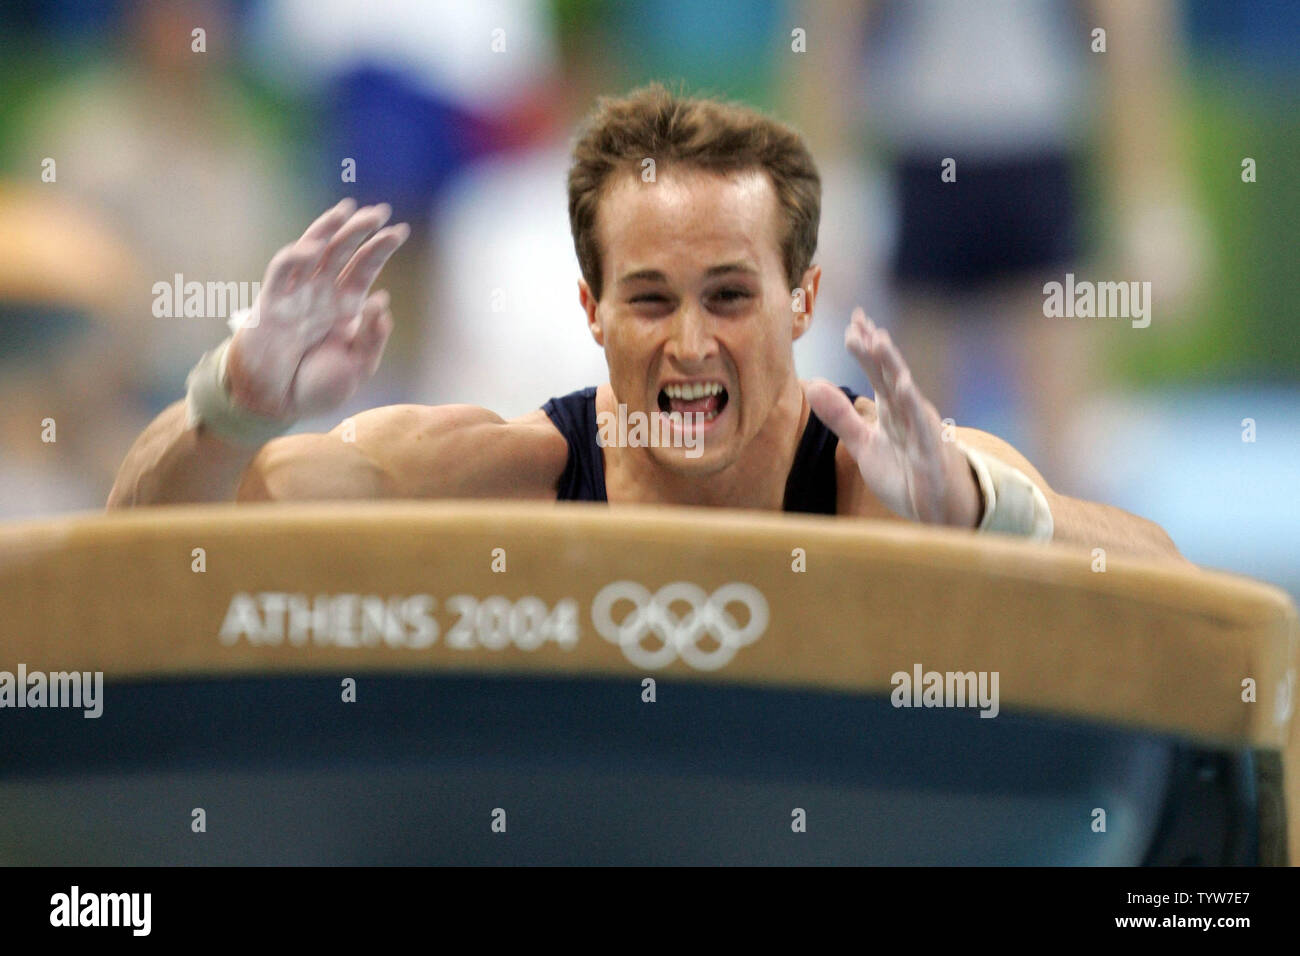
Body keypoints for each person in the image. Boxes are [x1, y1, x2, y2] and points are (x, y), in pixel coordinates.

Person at [107, 85, 1182, 561]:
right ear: (591, 312)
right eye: (650, 298)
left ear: (802, 301)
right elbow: (149, 539)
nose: (689, 345)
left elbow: (1168, 578)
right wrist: (231, 405)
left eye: (728, 295)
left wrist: (992, 516)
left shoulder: (884, 483)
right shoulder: (507, 473)